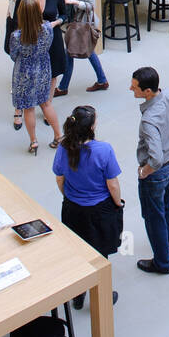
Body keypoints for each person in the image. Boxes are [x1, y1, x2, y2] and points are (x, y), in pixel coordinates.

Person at [53, 105, 122, 307]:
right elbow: (112, 184)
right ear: (91, 127)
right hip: (99, 210)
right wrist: (118, 203)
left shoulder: (63, 147)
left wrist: (69, 196)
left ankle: (78, 293)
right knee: (100, 253)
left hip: (73, 208)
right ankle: (102, 295)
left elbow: (59, 178)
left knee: (78, 251)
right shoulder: (104, 150)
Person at [130, 66, 169, 274]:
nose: (131, 89)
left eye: (135, 87)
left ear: (147, 91)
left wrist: (144, 172)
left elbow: (155, 158)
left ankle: (162, 262)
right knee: (166, 204)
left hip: (157, 172)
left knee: (153, 216)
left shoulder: (148, 121)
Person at [9, 0, 62, 154]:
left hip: (24, 73)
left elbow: (13, 55)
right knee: (46, 103)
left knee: (28, 108)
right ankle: (58, 136)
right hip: (44, 68)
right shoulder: (46, 28)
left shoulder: (17, 36)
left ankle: (33, 141)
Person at [54, 0, 109, 99]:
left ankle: (63, 87)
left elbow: (91, 5)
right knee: (87, 51)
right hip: (73, 21)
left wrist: (74, 2)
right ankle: (102, 80)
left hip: (81, 22)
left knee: (70, 53)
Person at [26, 0, 67, 101]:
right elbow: (19, 20)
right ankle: (27, 103)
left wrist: (55, 23)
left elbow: (64, 15)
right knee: (31, 72)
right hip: (32, 38)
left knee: (53, 72)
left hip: (52, 38)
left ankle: (48, 103)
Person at [4, 0, 31, 131]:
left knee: (20, 60)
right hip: (12, 18)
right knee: (10, 51)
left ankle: (19, 108)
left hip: (19, 23)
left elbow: (25, 5)